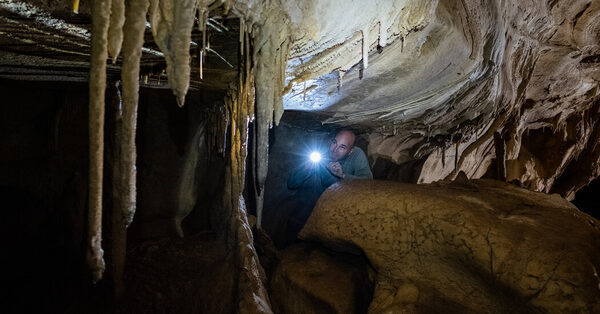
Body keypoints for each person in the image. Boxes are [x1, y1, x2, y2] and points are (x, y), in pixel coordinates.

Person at [283, 129, 373, 245]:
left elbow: (368, 182)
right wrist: (305, 168)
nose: (334, 150)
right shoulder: (320, 153)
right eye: (334, 142)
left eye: (342, 147)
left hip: (341, 209)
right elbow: (291, 183)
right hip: (311, 208)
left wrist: (342, 175)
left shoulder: (356, 155)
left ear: (350, 151)